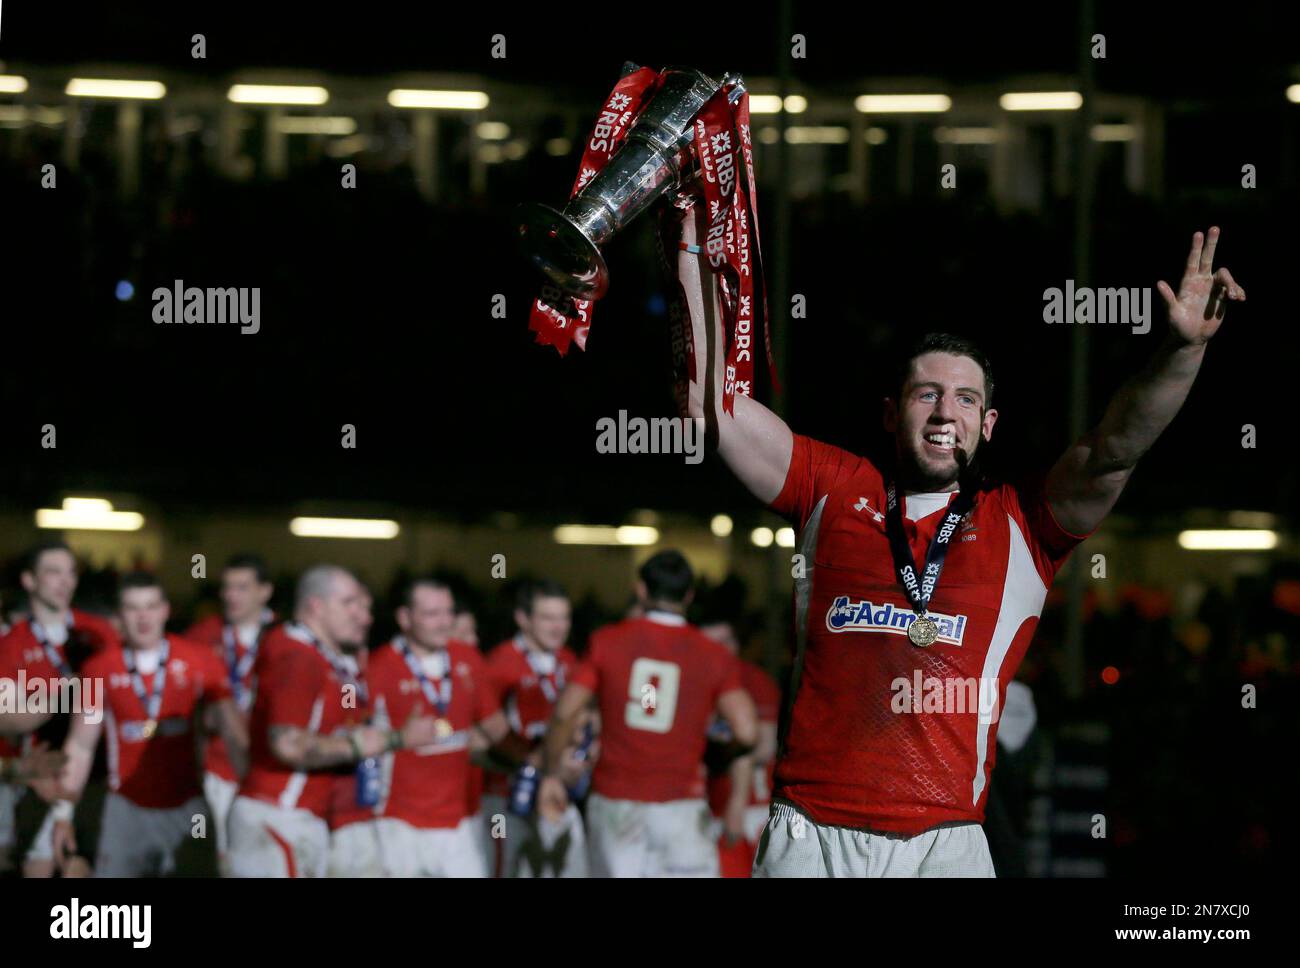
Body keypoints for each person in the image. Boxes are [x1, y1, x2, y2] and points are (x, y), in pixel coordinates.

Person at [675, 212, 1246, 877]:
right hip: (811, 834)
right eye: (928, 395)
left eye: (967, 400)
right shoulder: (829, 485)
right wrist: (692, 251)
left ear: (989, 423)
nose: (947, 413)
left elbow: (1114, 451)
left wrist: (1180, 352)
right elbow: (708, 403)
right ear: (892, 413)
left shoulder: (1023, 523)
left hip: (945, 843)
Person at [543, 550, 757, 877]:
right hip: (682, 803)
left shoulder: (607, 641)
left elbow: (565, 712)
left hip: (617, 801)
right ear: (689, 594)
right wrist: (716, 758)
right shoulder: (713, 654)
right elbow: (746, 731)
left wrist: (551, 772)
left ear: (641, 590)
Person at [226, 565, 440, 878]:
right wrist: (389, 740)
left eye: (364, 606)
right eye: (349, 603)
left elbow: (347, 715)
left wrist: (360, 726)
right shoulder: (297, 656)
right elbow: (288, 744)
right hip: (279, 815)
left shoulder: (332, 660)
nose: (361, 616)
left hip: (304, 816)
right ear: (317, 605)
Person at [50, 572, 247, 877]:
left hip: (188, 808)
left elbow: (233, 735)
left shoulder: (201, 660)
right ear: (119, 616)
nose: (143, 617)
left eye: (151, 606)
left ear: (166, 610)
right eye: (132, 608)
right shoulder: (98, 669)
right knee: (116, 919)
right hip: (126, 809)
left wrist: (252, 799)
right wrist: (63, 813)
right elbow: (80, 745)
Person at [365, 578, 518, 876]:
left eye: (448, 612)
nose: (444, 622)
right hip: (396, 824)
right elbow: (352, 733)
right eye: (432, 614)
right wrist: (397, 738)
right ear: (405, 618)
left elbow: (497, 729)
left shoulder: (467, 658)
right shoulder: (379, 666)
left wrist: (542, 764)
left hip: (458, 825)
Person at [0, 541, 119, 877]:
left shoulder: (100, 632)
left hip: (98, 779)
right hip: (42, 778)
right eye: (53, 572)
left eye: (70, 572)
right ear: (29, 580)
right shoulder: (12, 643)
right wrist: (69, 689)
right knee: (38, 867)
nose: (65, 581)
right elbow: (7, 718)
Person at [481, 580, 588, 878]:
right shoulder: (500, 663)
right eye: (547, 618)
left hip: (558, 790)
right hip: (507, 794)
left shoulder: (568, 660)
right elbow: (485, 734)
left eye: (564, 617)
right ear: (523, 618)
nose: (558, 627)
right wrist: (538, 760)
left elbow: (583, 720)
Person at [184, 553, 276, 875]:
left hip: (267, 770)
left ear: (265, 591)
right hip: (214, 770)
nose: (231, 596)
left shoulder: (285, 638)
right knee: (217, 862)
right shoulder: (200, 636)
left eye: (242, 587)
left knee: (262, 862)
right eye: (227, 587)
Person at [698, 618, 780, 877]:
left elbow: (764, 747)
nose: (722, 649)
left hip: (751, 804)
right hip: (705, 803)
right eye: (713, 643)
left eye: (727, 641)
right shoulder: (694, 681)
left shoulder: (754, 681)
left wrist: (720, 754)